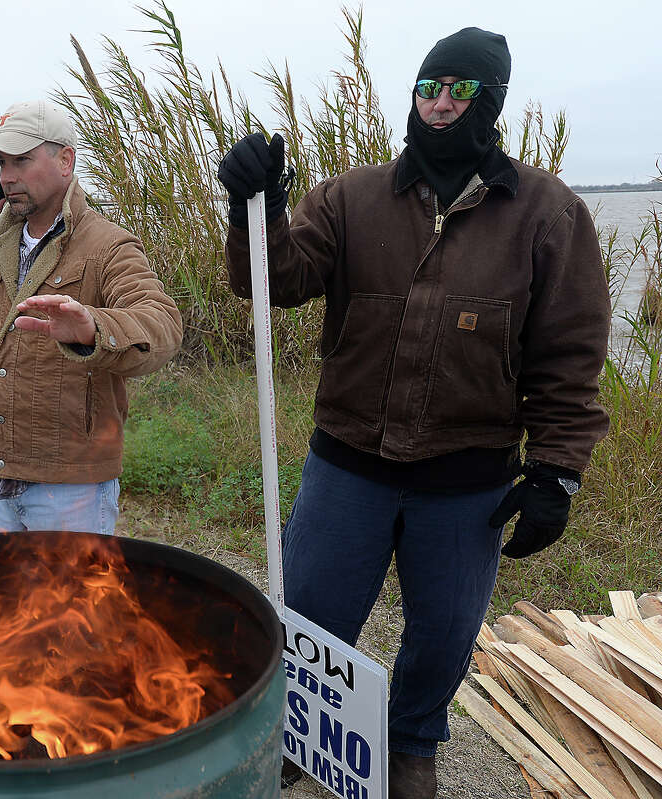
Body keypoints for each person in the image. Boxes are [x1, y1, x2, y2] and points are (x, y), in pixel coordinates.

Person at [217, 28, 609, 799]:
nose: (437, 105)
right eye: (428, 87)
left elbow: (568, 354)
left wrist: (557, 472)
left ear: (489, 101)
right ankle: (297, 729)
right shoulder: (351, 197)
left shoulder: (547, 214)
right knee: (310, 615)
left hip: (468, 484)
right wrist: (251, 207)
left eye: (457, 91)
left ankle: (411, 742)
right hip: (347, 465)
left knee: (443, 634)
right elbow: (277, 281)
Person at [0, 99, 183, 535]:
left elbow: (161, 324)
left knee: (70, 604)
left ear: (65, 161)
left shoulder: (107, 246)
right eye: (0, 163)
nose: (8, 175)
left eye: (22, 160)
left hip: (73, 489)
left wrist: (94, 328)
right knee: (12, 601)